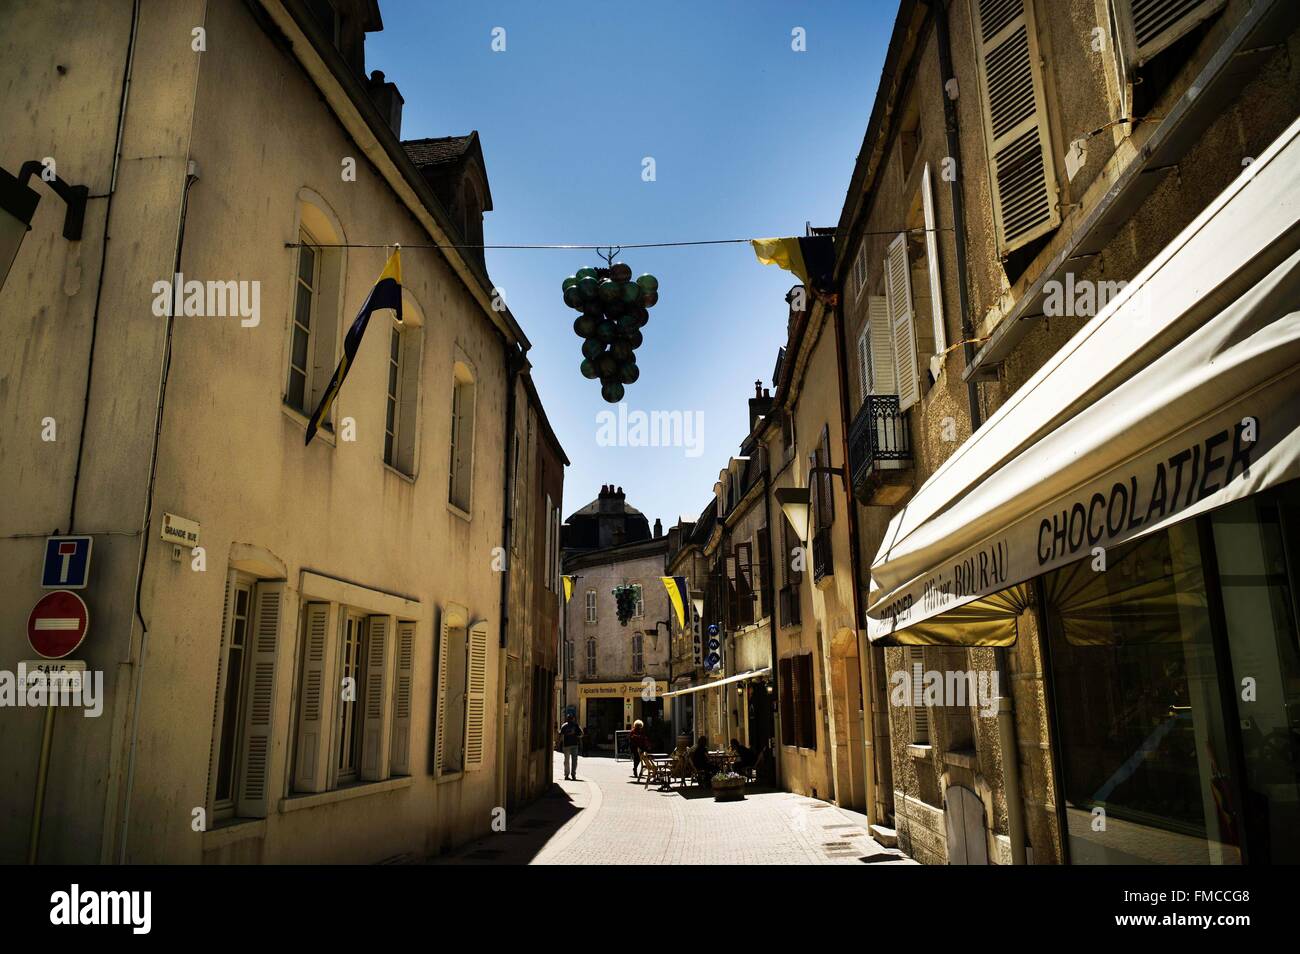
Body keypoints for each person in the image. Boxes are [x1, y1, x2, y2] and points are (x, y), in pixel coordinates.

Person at [559, 713, 583, 780]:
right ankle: (573, 775)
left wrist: (559, 744)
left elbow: (561, 736)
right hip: (574, 745)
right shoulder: (576, 725)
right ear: (573, 719)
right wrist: (576, 736)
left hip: (566, 745)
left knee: (566, 761)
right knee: (574, 761)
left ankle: (567, 775)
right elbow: (581, 734)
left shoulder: (564, 725)